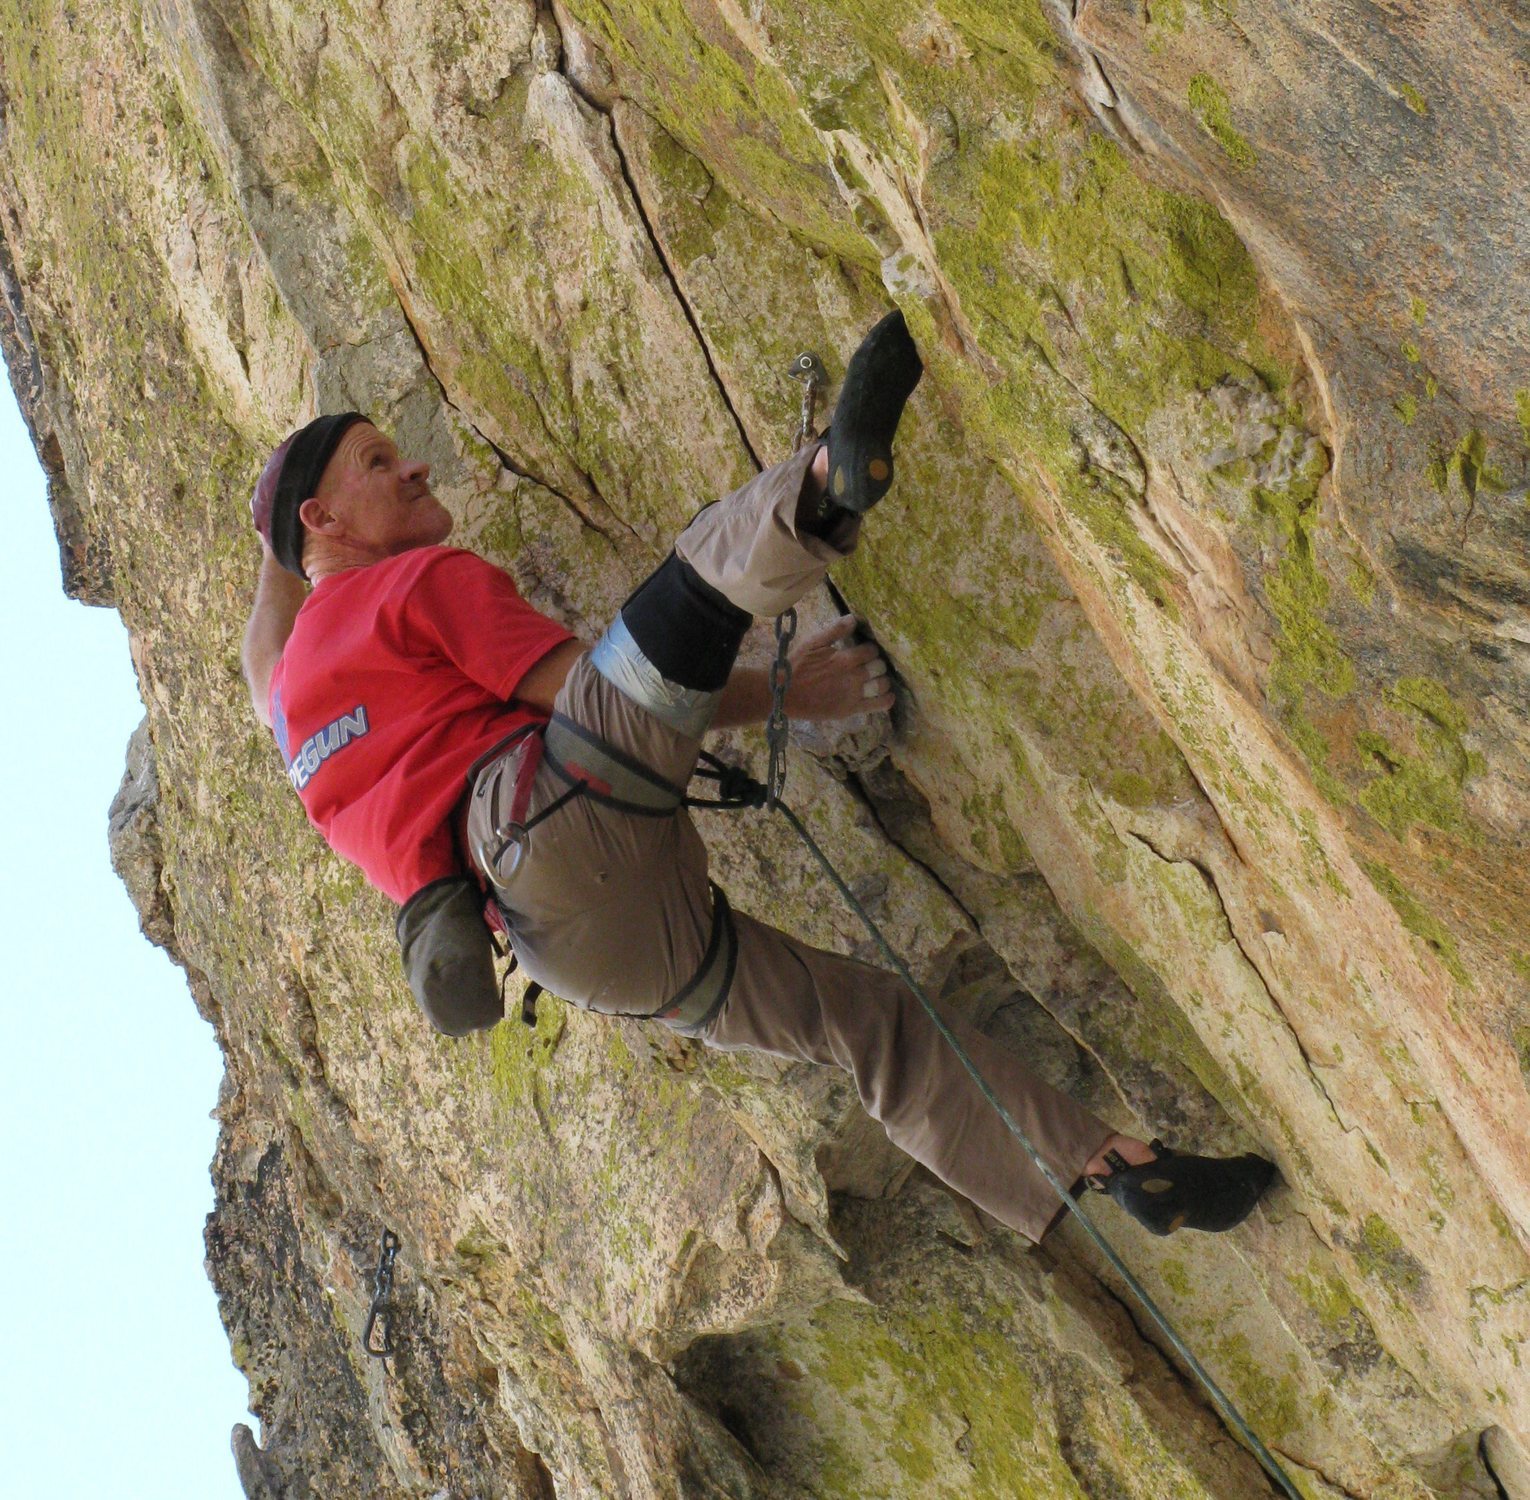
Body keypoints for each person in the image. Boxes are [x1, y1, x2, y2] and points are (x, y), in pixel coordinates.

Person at [241, 310, 1275, 1242]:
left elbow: (261, 654)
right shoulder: (415, 583)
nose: (416, 469)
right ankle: (823, 486)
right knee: (687, 592)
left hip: (583, 956)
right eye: (380, 462)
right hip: (548, 820)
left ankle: (1116, 1170)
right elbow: (591, 693)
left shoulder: (292, 715)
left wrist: (280, 540)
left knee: (871, 1027)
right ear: (323, 525)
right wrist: (796, 691)